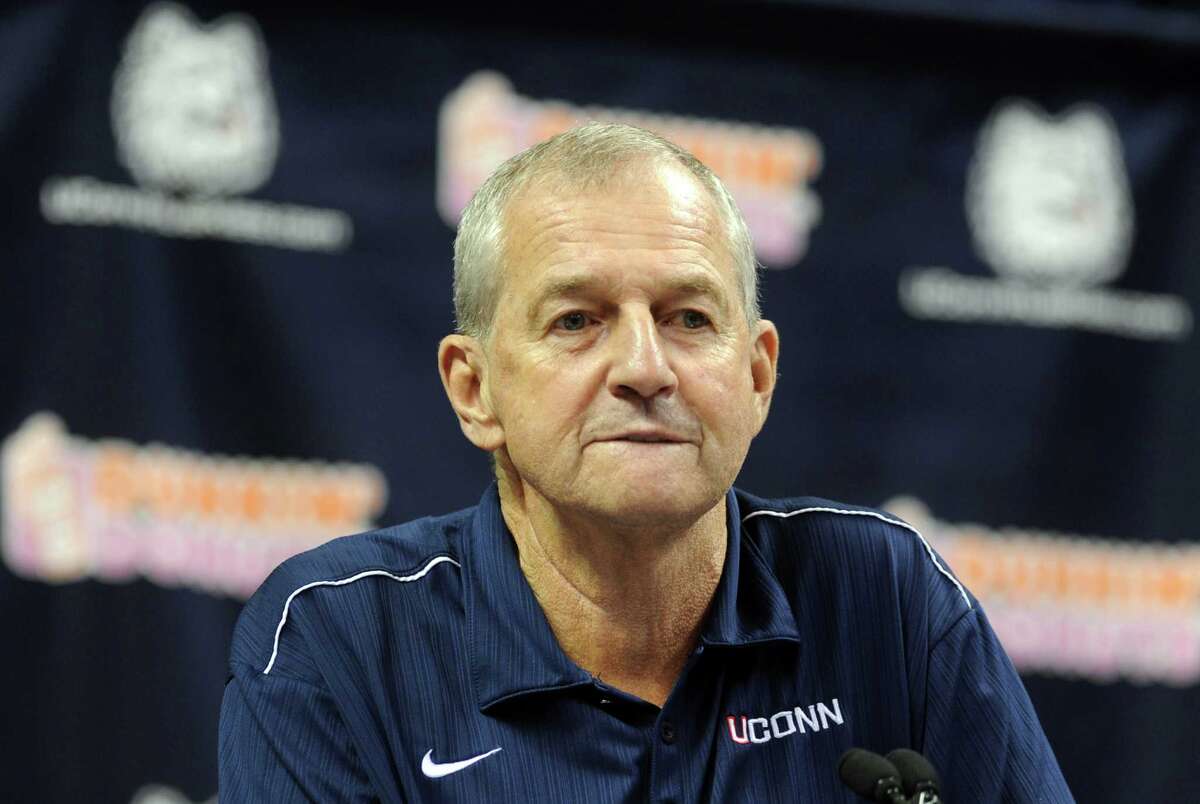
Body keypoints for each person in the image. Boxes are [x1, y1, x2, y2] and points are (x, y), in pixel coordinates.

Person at [219, 123, 1073, 802]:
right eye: (577, 320)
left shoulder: (884, 599)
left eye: (690, 318)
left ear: (758, 374)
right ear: (474, 389)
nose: (644, 367)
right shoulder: (334, 647)